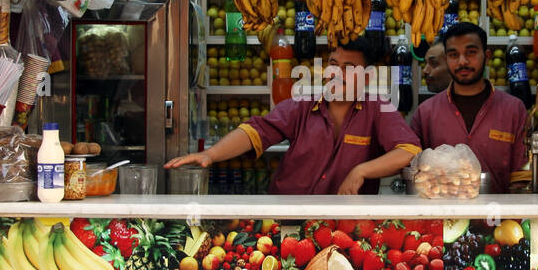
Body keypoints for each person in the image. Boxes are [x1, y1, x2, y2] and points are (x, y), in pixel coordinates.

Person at [166, 39, 420, 194]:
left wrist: (361, 171)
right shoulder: (302, 106)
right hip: (288, 213)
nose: (336, 73)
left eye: (348, 67)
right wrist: (210, 154)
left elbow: (408, 150)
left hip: (345, 220)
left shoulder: (378, 109)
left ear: (366, 77)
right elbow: (256, 132)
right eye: (332, 64)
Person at [410, 21, 529, 193]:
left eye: (471, 53)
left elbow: (522, 176)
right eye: (453, 55)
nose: (462, 61)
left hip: (498, 215)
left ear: (487, 56)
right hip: (443, 216)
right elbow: (415, 172)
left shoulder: (513, 109)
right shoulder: (426, 112)